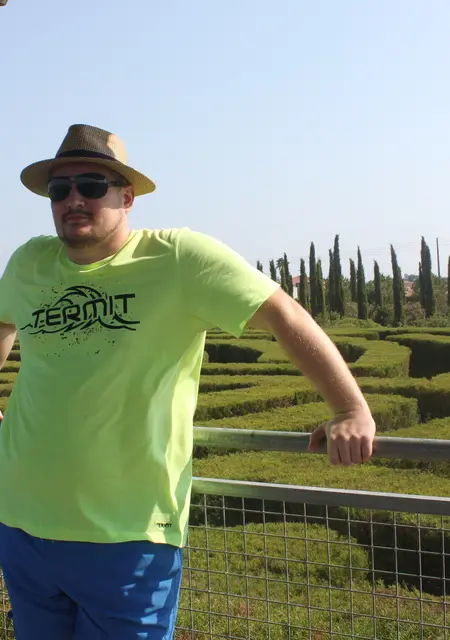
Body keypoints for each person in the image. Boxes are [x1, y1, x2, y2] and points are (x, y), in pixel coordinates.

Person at [0, 124, 376, 640]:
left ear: (127, 196)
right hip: (20, 525)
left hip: (129, 539)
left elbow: (284, 315)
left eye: (91, 184)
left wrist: (350, 409)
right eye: (59, 189)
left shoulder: (179, 259)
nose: (73, 200)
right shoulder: (29, 262)